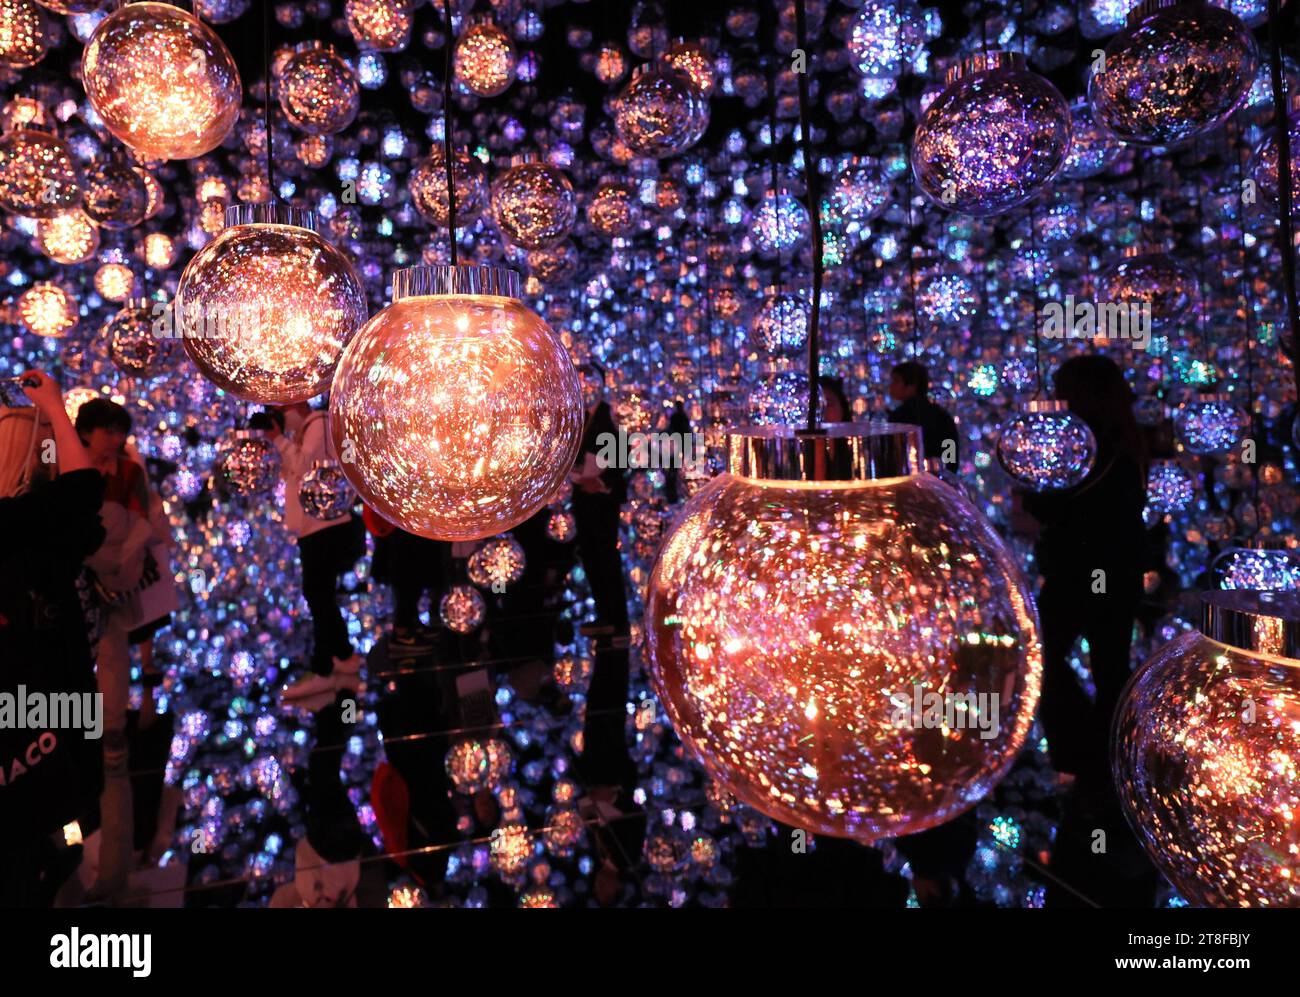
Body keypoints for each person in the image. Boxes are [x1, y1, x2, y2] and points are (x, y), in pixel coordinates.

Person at [1021, 355, 1155, 907]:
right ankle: (1107, 767)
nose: (1058, 403)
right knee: (1107, 668)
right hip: (1112, 574)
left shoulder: (1093, 444)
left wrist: (1033, 494)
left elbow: (1055, 505)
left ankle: (1094, 765)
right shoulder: (1123, 440)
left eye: (1062, 392)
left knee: (1050, 661)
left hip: (1085, 572)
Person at [0, 371, 106, 906]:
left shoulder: (27, 523)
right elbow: (83, 490)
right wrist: (55, 407)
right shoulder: (44, 525)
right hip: (56, 720)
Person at [254, 404, 363, 703]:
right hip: (313, 529)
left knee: (318, 595)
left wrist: (278, 439)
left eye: (278, 406)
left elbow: (307, 469)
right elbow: (293, 472)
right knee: (320, 596)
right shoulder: (304, 431)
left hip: (325, 527)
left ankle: (325, 668)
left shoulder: (320, 424)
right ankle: (342, 656)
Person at [888, 361, 959, 468]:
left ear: (911, 386)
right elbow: (951, 457)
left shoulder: (899, 416)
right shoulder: (942, 416)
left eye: (896, 381)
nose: (891, 386)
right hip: (938, 480)